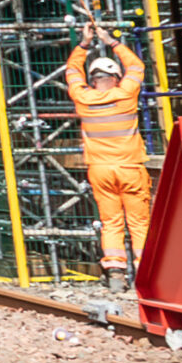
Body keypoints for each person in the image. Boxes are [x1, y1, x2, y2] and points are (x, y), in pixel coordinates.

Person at [64, 22, 153, 290]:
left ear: (93, 80)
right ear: (115, 77)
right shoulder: (126, 93)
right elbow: (136, 66)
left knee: (110, 221)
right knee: (138, 222)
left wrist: (84, 43)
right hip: (130, 168)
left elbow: (71, 71)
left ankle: (115, 272)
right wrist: (111, 40)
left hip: (100, 170)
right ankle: (146, 271)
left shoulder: (83, 98)